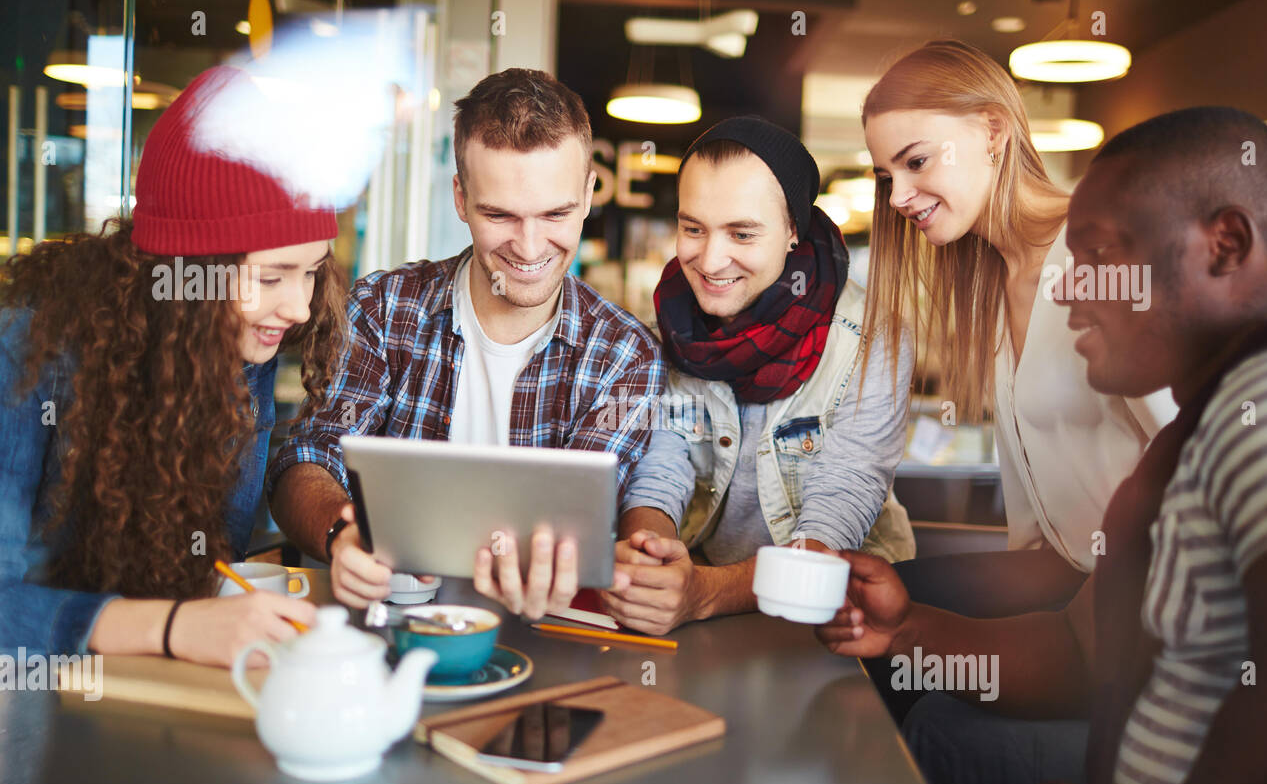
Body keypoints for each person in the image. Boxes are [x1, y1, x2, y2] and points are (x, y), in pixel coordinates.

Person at [819, 107, 1267, 784]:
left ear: (1224, 246)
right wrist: (906, 630)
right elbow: (1079, 654)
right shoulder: (1197, 435)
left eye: (1099, 257)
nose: (1069, 293)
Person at [269, 68, 664, 620]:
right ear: (460, 196)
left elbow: (578, 518)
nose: (530, 248)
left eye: (556, 214)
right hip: (384, 630)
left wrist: (556, 563)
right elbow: (303, 460)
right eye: (499, 214)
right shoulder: (385, 309)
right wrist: (341, 532)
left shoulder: (625, 354)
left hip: (548, 641)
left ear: (589, 194)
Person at [0, 66, 342, 666]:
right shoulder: (29, 350)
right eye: (269, 276)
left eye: (312, 270)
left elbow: (204, 565)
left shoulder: (229, 341)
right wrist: (174, 628)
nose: (300, 306)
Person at [860, 39, 1177, 618]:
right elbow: (1032, 529)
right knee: (875, 605)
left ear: (993, 131)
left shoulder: (1106, 252)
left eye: (917, 161)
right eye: (887, 176)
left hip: (1152, 605)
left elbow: (1194, 455)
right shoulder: (991, 284)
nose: (899, 196)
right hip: (1067, 595)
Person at [603, 117, 914, 635]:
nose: (710, 259)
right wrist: (648, 555)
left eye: (742, 233)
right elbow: (662, 462)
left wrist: (703, 594)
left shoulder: (873, 336)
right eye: (693, 228)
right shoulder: (672, 325)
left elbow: (837, 510)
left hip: (838, 619)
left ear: (794, 229)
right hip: (702, 612)